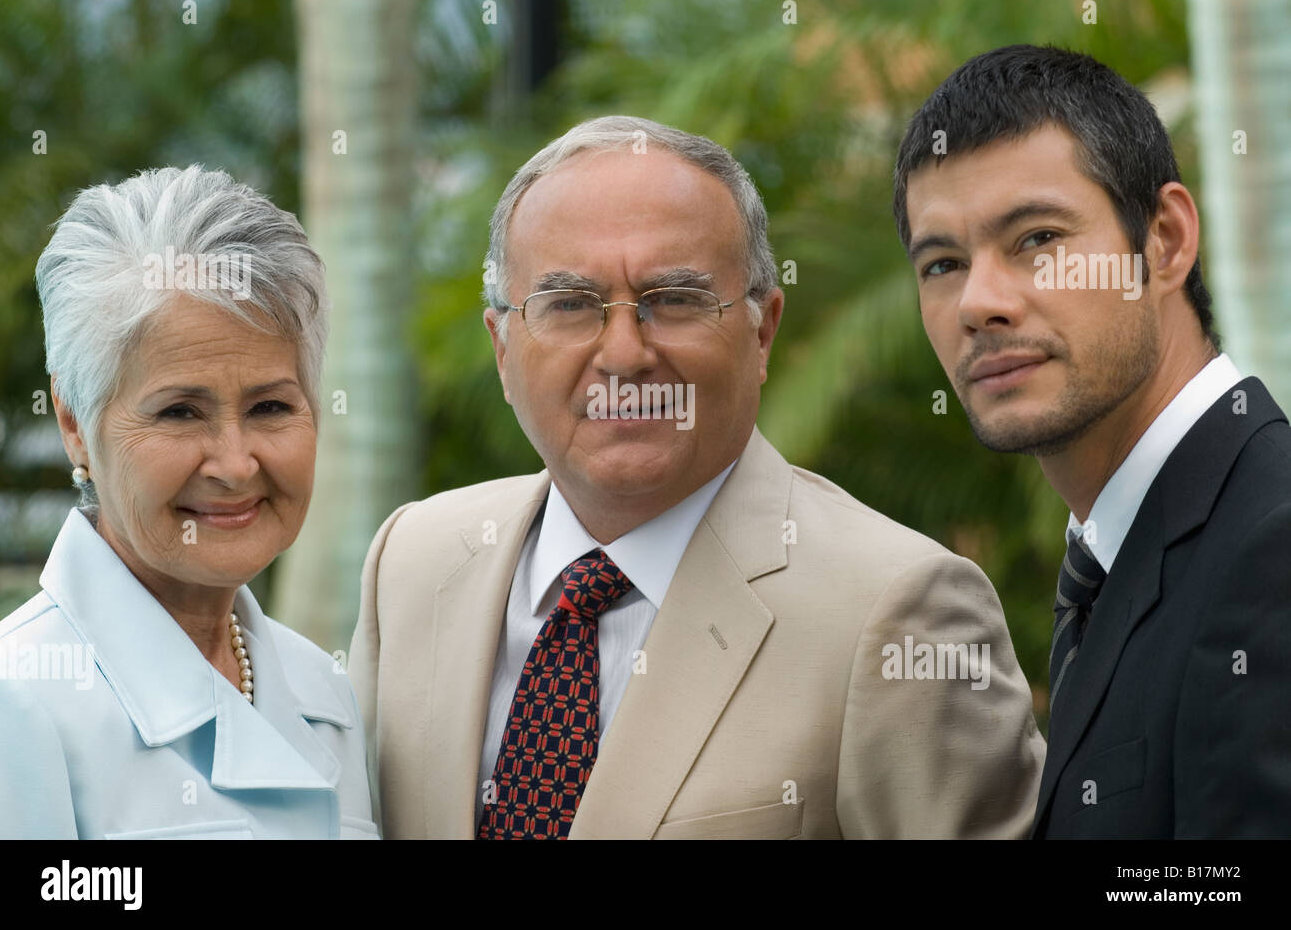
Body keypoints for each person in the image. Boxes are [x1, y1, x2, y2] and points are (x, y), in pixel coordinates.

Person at [349, 115, 1044, 839]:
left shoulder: (902, 607)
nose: (623, 354)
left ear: (763, 330)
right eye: (571, 306)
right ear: (501, 349)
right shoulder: (412, 561)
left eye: (674, 301)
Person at [895, 44, 1291, 837]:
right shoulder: (1124, 555)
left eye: (1037, 239)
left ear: (1167, 240)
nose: (980, 301)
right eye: (942, 262)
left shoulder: (1271, 545)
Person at [0, 166, 377, 839]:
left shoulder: (325, 692)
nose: (234, 463)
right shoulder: (14, 702)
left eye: (270, 406)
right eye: (178, 412)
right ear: (73, 424)